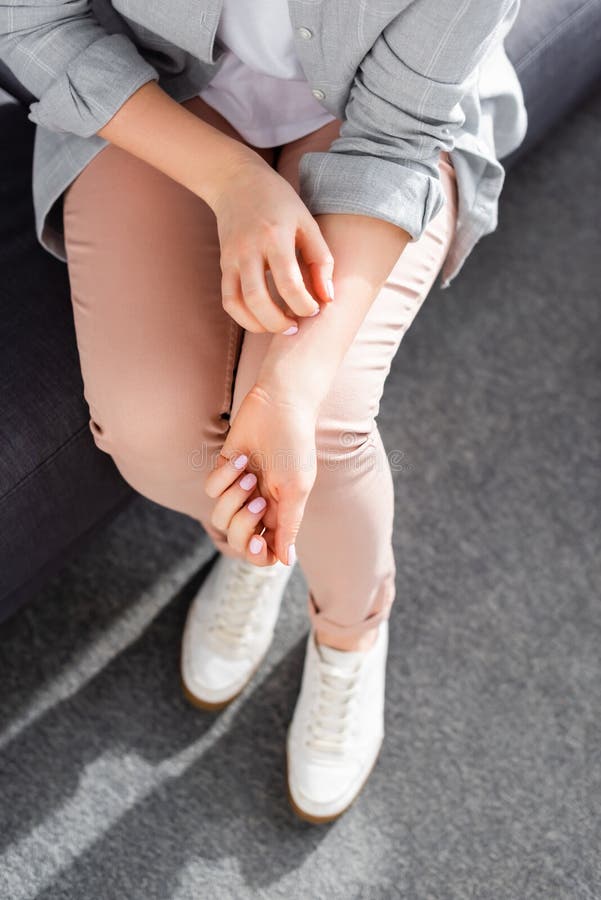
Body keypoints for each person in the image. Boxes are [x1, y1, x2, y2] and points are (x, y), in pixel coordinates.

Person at [0, 0, 527, 823]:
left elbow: (392, 134)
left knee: (315, 422)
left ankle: (350, 629)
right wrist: (233, 180)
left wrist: (286, 393)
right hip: (154, 82)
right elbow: (27, 18)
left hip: (380, 118)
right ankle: (257, 544)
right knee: (151, 432)